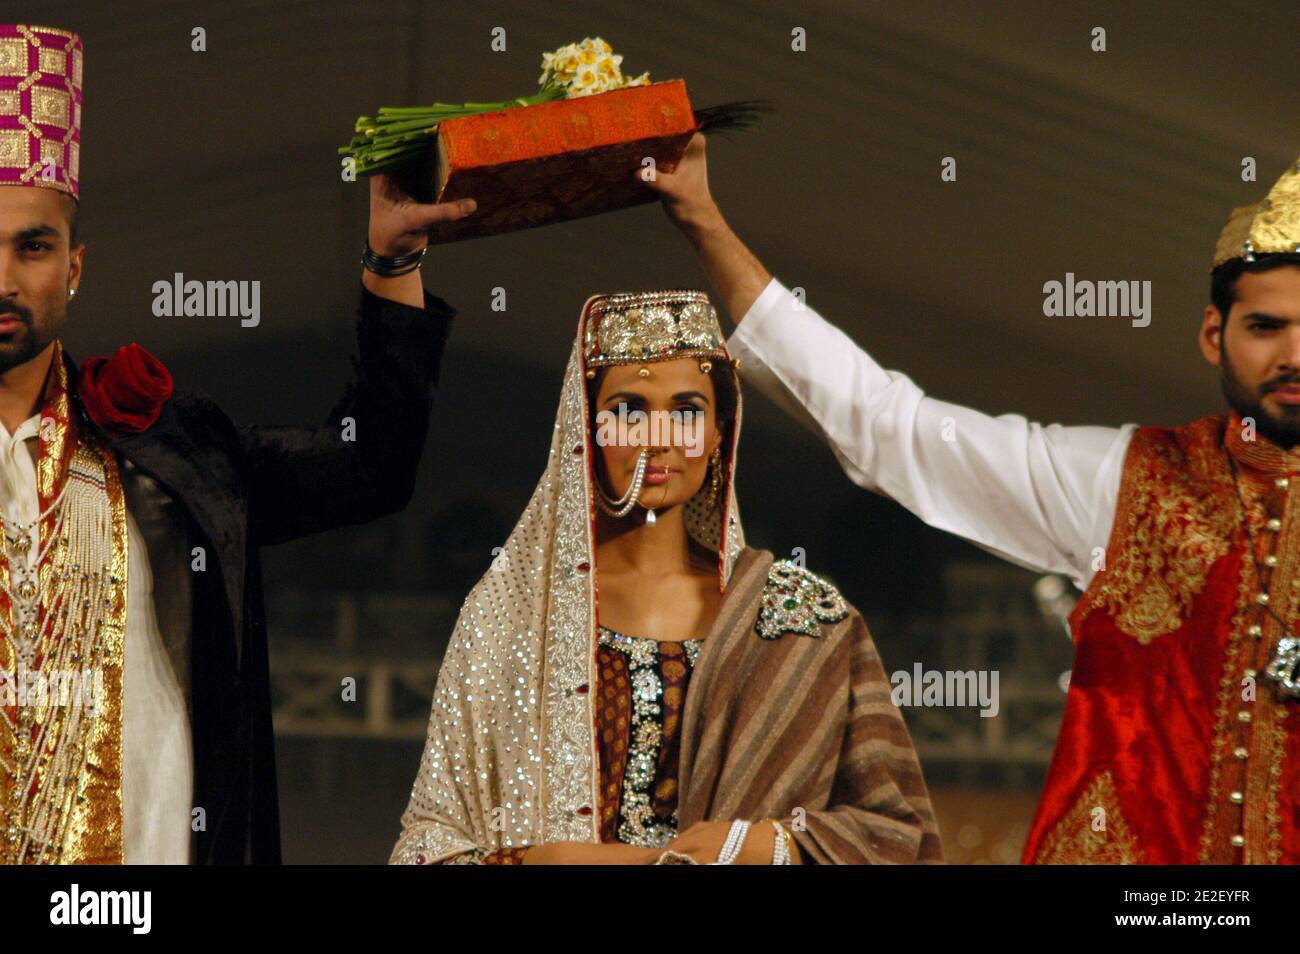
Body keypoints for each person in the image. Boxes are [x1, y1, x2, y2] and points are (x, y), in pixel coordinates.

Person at [642, 133, 1300, 864]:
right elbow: (892, 430)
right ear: (1215, 334)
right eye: (1266, 327)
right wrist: (706, 223)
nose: (1293, 355)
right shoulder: (1130, 481)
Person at [0, 23, 474, 863]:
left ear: (74, 265)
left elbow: (367, 466)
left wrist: (392, 264)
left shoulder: (163, 454)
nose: (2, 278)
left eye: (31, 245)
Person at [390, 286, 942, 864]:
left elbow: (898, 835)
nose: (659, 438)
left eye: (687, 412)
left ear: (719, 433)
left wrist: (762, 845)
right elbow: (427, 842)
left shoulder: (802, 621)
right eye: (629, 411)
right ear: (588, 429)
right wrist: (544, 863)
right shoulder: (513, 612)